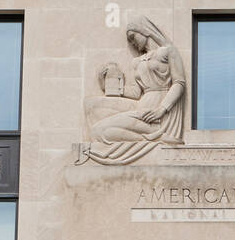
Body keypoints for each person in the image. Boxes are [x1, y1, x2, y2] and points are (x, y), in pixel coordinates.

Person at [79, 17, 186, 165]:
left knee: (99, 131)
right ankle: (150, 139)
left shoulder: (167, 51)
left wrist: (162, 109)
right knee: (91, 106)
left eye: (132, 37)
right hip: (142, 105)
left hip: (158, 111)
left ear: (144, 30)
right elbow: (137, 93)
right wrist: (110, 85)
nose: (132, 42)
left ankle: (156, 137)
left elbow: (179, 83)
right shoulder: (137, 62)